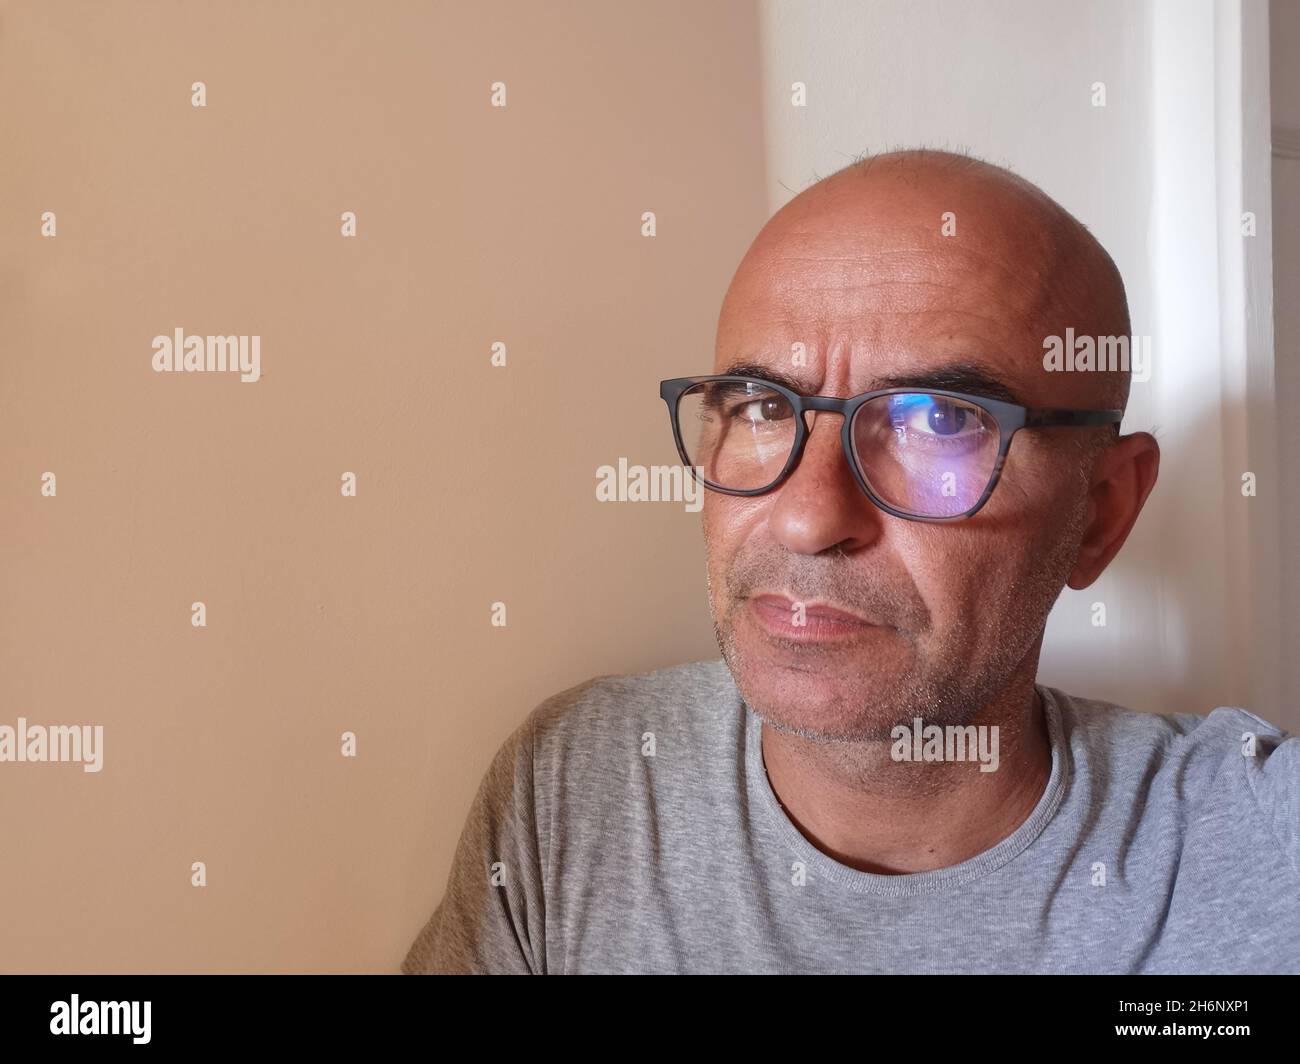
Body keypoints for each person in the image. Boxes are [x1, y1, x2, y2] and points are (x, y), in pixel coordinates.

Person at [402, 149, 1299, 974]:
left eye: (939, 419)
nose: (805, 518)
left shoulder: (1258, 848)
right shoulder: (575, 783)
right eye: (758, 405)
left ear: (1101, 512)